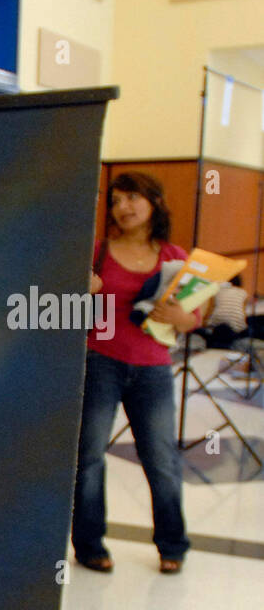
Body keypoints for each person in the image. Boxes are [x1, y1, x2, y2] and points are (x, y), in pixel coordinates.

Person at [73, 171, 203, 576]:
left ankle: (172, 544)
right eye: (115, 200)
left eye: (132, 198)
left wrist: (182, 316)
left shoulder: (174, 257)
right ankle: (90, 544)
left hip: (154, 371)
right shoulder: (96, 252)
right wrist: (85, 294)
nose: (122, 208)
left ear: (153, 202)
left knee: (161, 459)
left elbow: (193, 318)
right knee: (89, 457)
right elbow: (68, 315)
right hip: (100, 363)